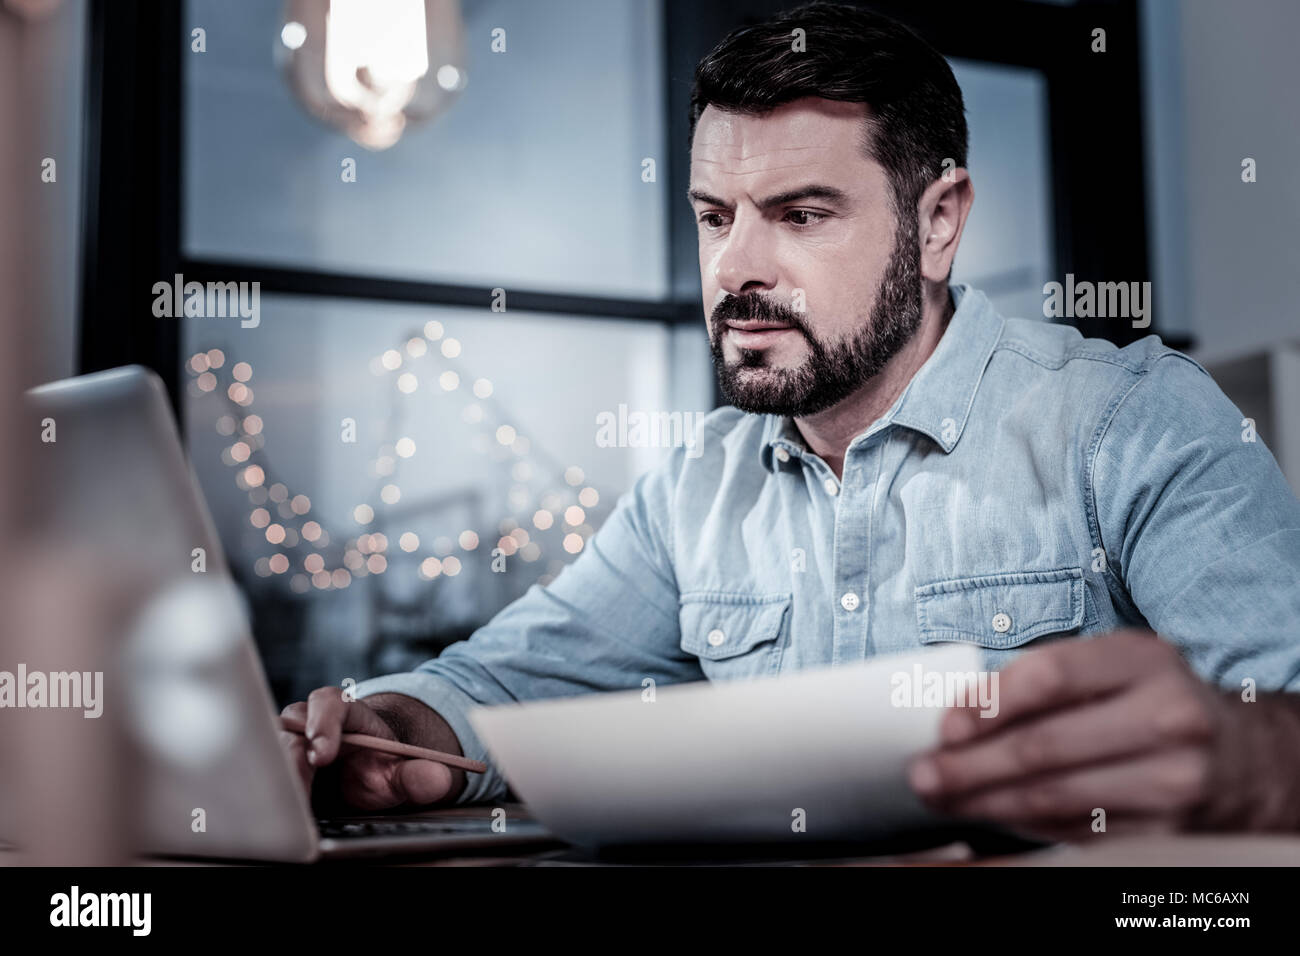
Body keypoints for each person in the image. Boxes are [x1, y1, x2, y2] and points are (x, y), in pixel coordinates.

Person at [281, 2, 1300, 841]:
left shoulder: (1128, 420)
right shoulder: (695, 490)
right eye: (715, 215)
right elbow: (495, 684)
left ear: (937, 221)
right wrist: (388, 732)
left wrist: (1246, 754)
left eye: (801, 214)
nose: (735, 268)